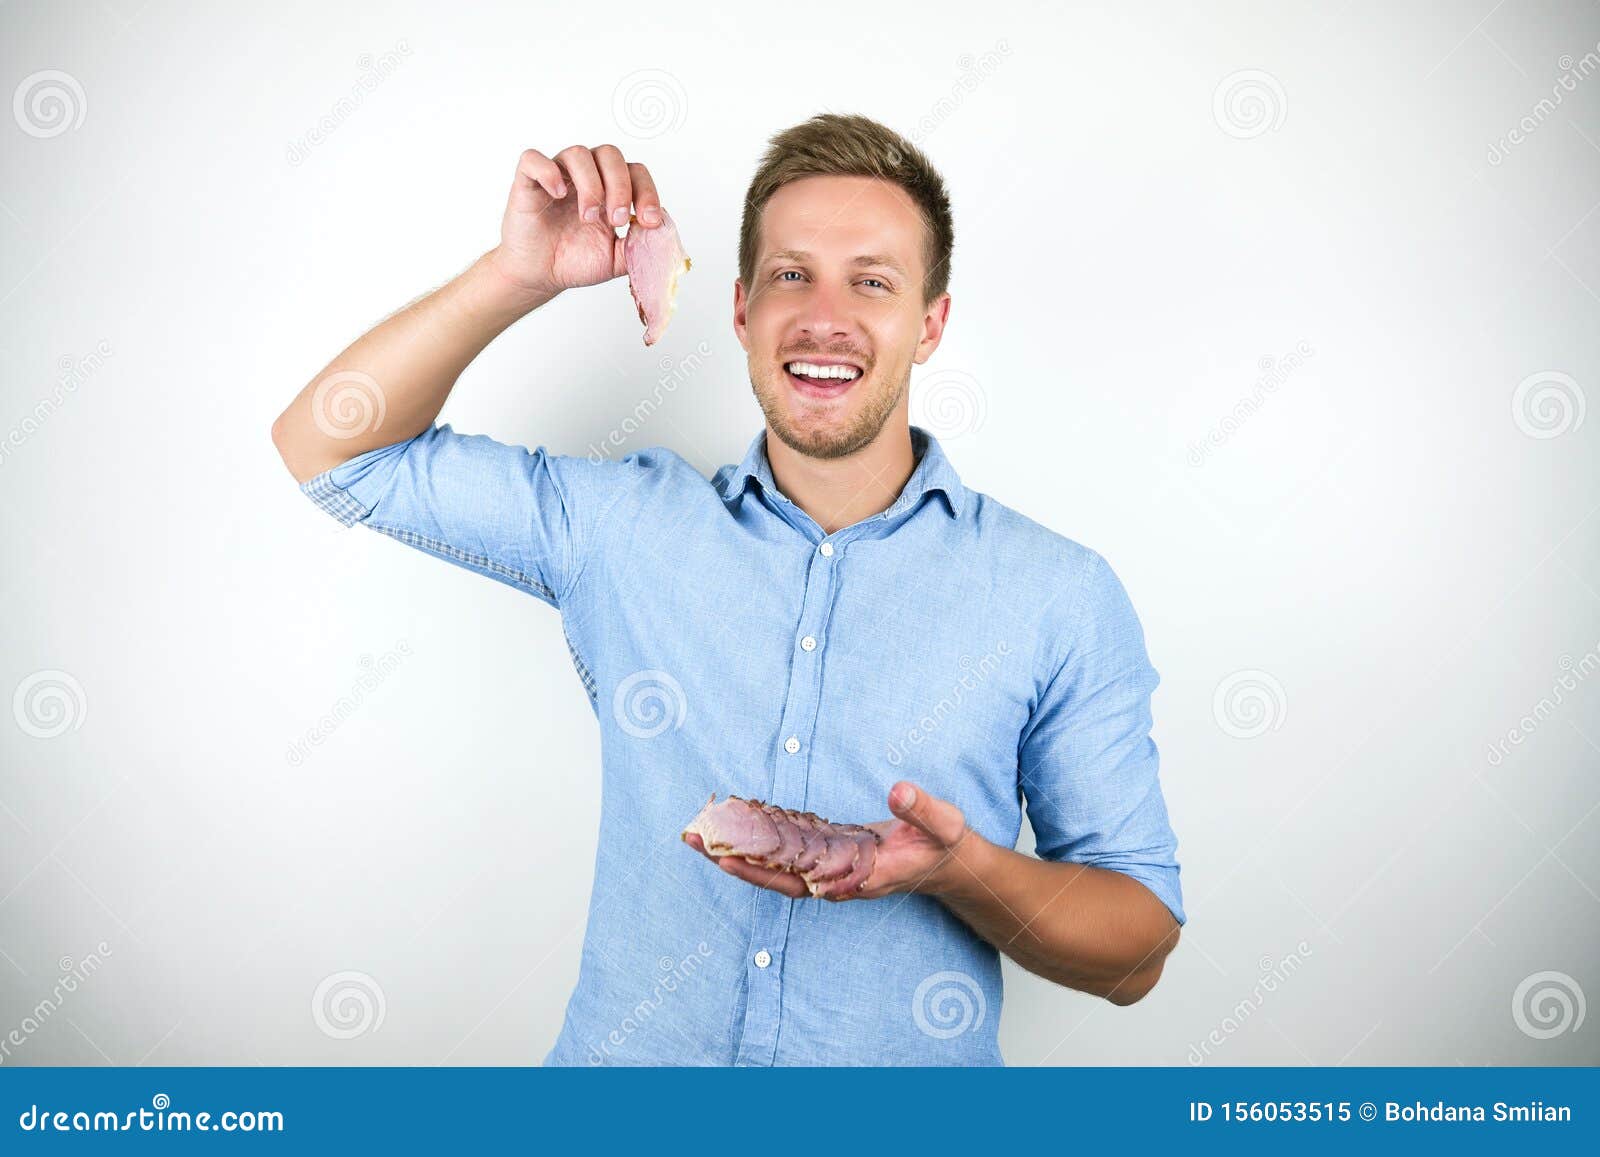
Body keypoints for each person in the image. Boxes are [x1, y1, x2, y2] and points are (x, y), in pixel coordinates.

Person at [271, 113, 1184, 1066]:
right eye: (793, 274)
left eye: (871, 281)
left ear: (930, 324)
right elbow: (331, 449)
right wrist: (516, 275)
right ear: (742, 311)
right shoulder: (624, 529)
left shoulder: (1057, 595)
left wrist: (963, 872)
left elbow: (1137, 951)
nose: (823, 315)